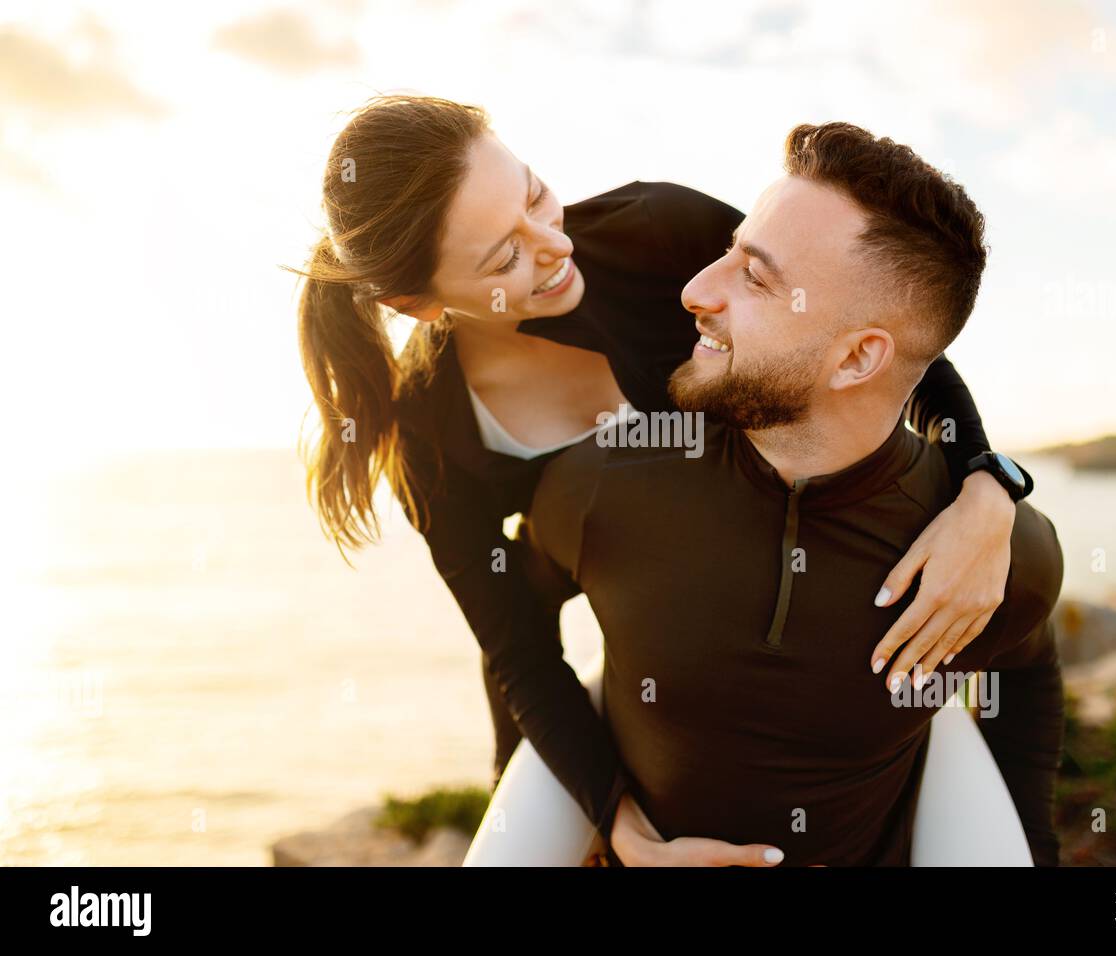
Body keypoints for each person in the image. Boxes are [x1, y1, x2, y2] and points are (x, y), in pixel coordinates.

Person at [293, 96, 1033, 858]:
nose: (553, 244)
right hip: (631, 640)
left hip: (796, 603)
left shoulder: (656, 230)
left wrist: (985, 486)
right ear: (415, 304)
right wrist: (619, 826)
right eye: (503, 257)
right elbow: (516, 646)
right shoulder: (428, 433)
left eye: (536, 194)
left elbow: (878, 328)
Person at [524, 122, 1065, 866]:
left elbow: (1027, 677)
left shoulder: (999, 554)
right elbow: (517, 641)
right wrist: (595, 812)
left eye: (754, 277)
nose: (694, 290)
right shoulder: (602, 483)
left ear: (856, 359)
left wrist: (1035, 847)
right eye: (728, 250)